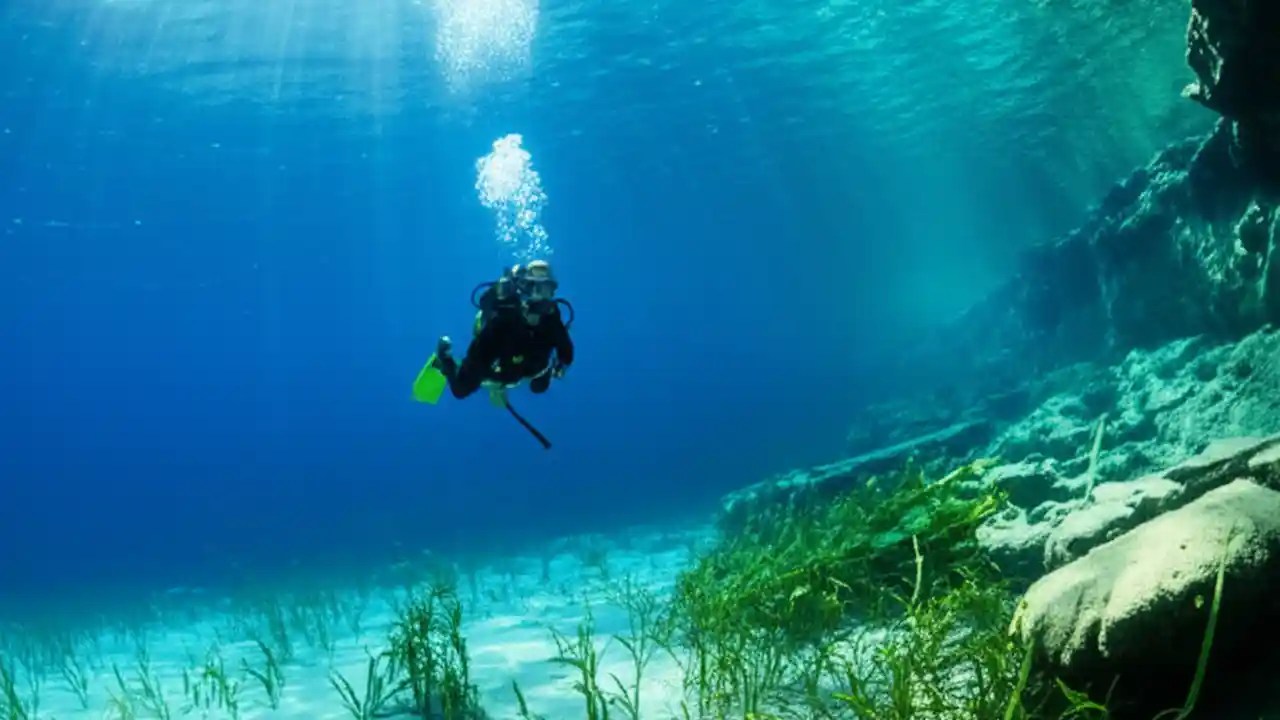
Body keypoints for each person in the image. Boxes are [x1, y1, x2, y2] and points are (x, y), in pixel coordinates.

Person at [433, 260, 574, 401]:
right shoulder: (505, 316)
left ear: (552, 292)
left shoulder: (552, 321)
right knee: (460, 389)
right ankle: (445, 357)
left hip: (528, 369)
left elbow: (566, 351)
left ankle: (498, 381)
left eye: (543, 288)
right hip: (498, 368)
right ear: (523, 288)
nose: (537, 294)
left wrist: (560, 367)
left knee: (539, 387)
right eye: (531, 286)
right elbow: (485, 308)